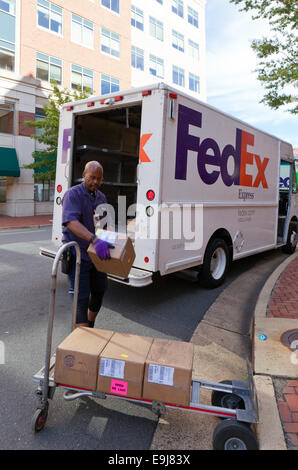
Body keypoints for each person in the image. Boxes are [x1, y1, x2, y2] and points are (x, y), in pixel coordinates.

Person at [62, 160, 111, 328]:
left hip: (96, 256)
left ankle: (89, 327)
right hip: (78, 256)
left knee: (98, 293)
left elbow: (104, 225)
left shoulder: (101, 197)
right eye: (92, 177)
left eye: (99, 179)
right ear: (84, 176)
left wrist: (108, 240)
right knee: (80, 301)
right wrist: (94, 239)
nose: (95, 182)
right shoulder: (72, 194)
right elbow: (70, 221)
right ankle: (81, 345)